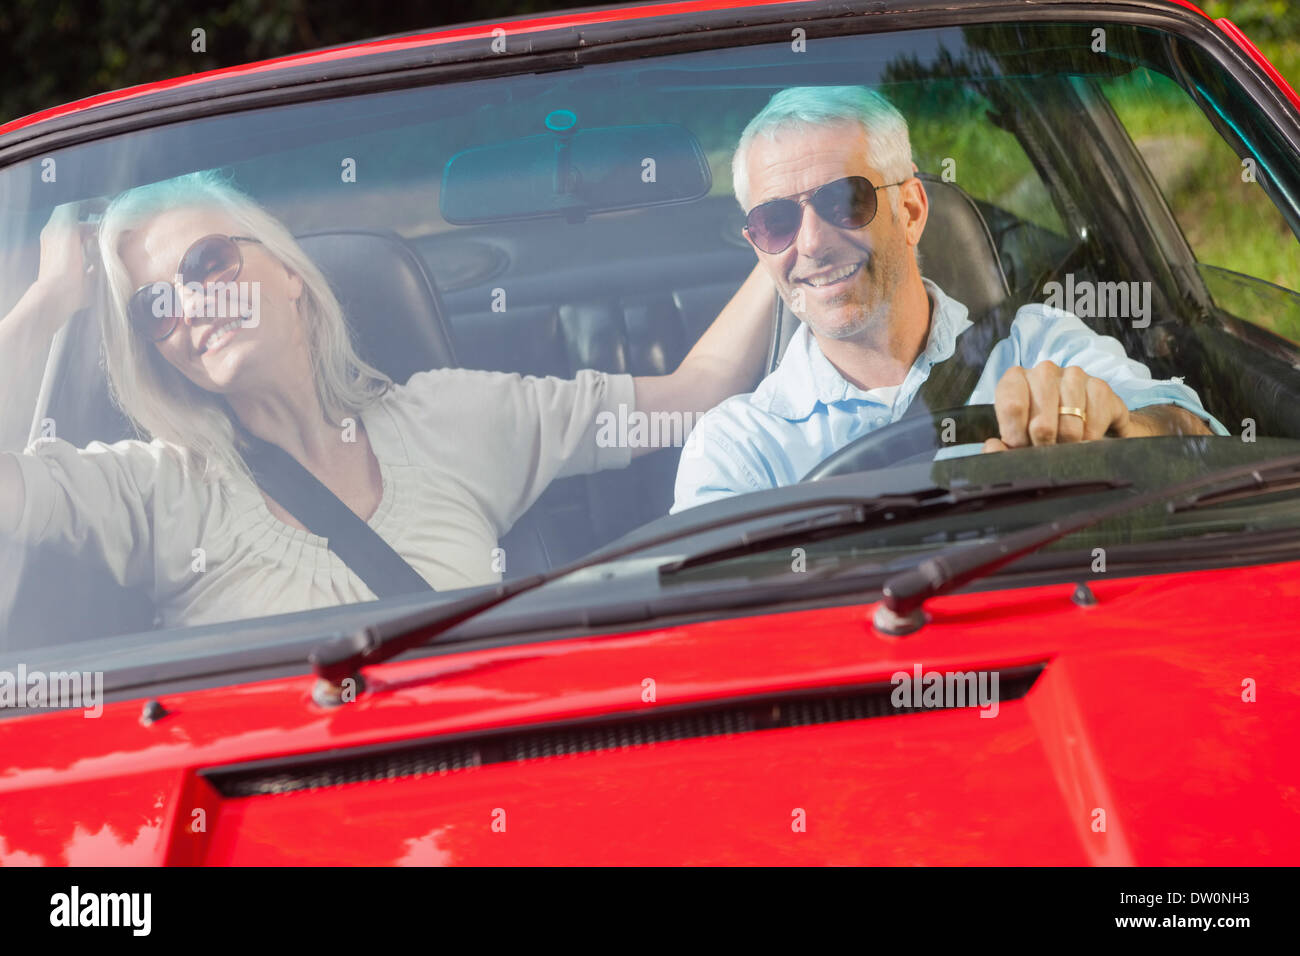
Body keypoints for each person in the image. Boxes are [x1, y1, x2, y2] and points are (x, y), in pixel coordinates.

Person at [0, 171, 773, 626]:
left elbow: (695, 395)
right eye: (155, 307)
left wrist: (789, 243)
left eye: (208, 264)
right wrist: (45, 305)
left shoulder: (452, 420)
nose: (192, 305)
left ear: (291, 275)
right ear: (159, 352)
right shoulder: (157, 487)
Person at [672, 86, 1226, 512]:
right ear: (759, 246)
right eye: (776, 221)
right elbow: (713, 638)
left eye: (844, 200)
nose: (812, 243)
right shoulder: (738, 449)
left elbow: (1201, 440)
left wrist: (1125, 428)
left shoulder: (1037, 343)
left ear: (911, 211)